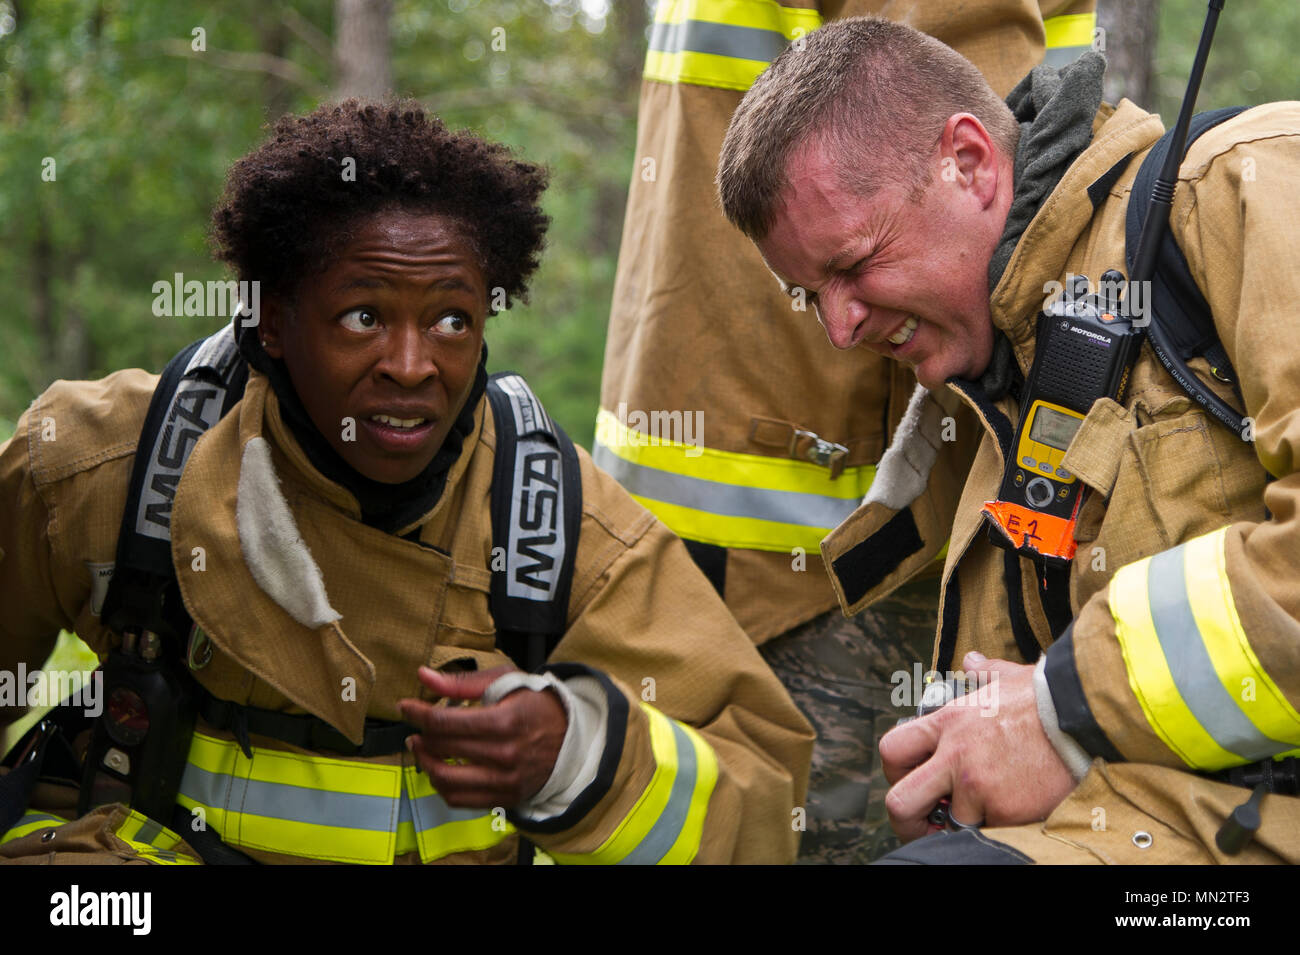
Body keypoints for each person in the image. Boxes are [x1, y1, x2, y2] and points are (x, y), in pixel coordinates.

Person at [0, 100, 814, 865]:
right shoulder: (104, 467)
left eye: (451, 320)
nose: (413, 365)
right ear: (273, 322)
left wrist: (576, 752)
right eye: (363, 316)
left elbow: (766, 795)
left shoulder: (554, 526)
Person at [716, 16, 1300, 863]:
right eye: (811, 295)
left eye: (851, 265)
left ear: (969, 162)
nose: (839, 330)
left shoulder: (1246, 182)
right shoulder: (988, 405)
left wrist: (1065, 707)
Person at [597, 0, 1096, 863]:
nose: (836, 322)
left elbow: (981, 194)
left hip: (804, 565)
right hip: (783, 561)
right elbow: (991, 212)